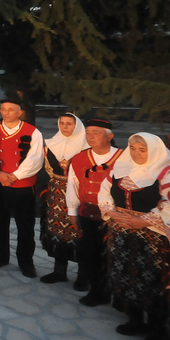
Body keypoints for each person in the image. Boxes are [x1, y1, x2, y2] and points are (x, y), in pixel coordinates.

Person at [97, 133, 170, 340]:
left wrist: (144, 221)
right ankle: (134, 319)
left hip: (152, 237)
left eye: (142, 149)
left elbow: (169, 203)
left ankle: (158, 329)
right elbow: (104, 191)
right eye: (133, 148)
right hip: (121, 233)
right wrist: (111, 211)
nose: (136, 153)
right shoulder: (120, 167)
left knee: (152, 279)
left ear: (154, 150)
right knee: (126, 274)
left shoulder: (165, 172)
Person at [0, 98, 45, 278]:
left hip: (23, 185)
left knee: (25, 225)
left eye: (11, 109)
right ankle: (0, 256)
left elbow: (35, 158)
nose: (6, 112)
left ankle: (26, 262)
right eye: (3, 109)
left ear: (20, 113)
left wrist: (15, 176)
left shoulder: (33, 132)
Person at [68, 119, 125, 307]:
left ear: (110, 136)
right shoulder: (79, 159)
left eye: (96, 132)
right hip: (88, 213)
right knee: (90, 254)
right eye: (88, 132)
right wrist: (72, 210)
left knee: (114, 256)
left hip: (115, 218)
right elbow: (73, 185)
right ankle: (95, 291)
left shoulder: (124, 158)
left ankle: (115, 293)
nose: (90, 136)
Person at [39, 113, 88, 286]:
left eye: (69, 123)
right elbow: (49, 169)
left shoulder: (86, 148)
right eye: (62, 123)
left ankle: (83, 276)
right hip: (57, 195)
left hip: (79, 194)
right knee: (57, 233)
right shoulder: (51, 145)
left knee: (80, 233)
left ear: (77, 126)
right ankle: (59, 271)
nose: (65, 127)